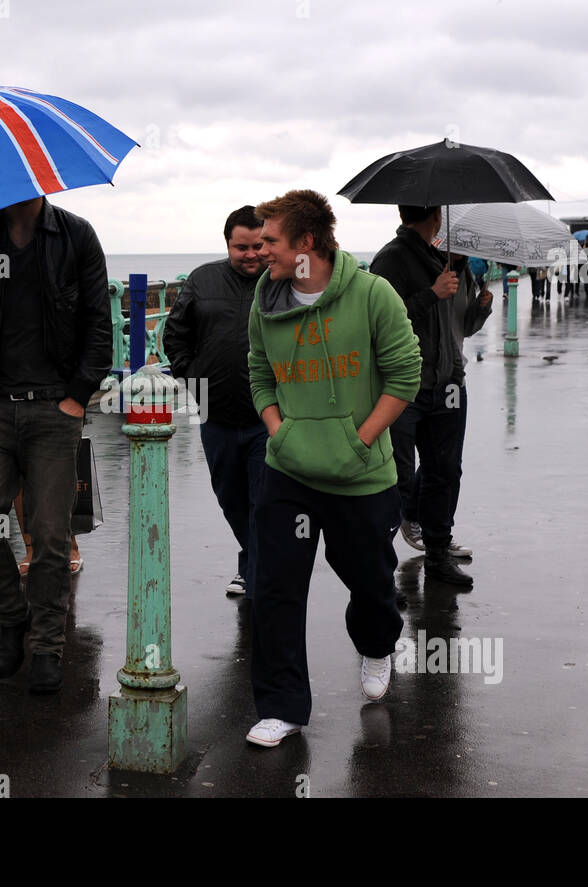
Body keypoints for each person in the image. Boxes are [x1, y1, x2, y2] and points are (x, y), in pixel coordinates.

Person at [243, 189, 421, 748]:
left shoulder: (372, 295)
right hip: (288, 471)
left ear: (306, 243)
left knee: (370, 585)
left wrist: (363, 441)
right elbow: (258, 370)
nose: (260, 249)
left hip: (361, 477)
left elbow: (404, 376)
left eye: (270, 240)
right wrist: (280, 430)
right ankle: (282, 706)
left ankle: (376, 644)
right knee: (272, 588)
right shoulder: (265, 298)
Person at [0, 196, 111, 695]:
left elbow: (99, 322)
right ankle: (13, 618)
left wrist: (78, 397)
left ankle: (49, 644)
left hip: (54, 407)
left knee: (50, 535)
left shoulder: (76, 235)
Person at [370, 206, 493, 588]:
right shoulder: (391, 259)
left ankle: (439, 558)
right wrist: (431, 294)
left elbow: (461, 327)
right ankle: (380, 574)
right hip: (404, 387)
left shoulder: (454, 265)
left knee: (445, 472)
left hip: (450, 383)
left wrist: (481, 309)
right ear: (437, 218)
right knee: (398, 479)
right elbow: (377, 321)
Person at [162, 205, 267, 598]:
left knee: (263, 498)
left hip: (267, 416)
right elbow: (175, 335)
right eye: (242, 247)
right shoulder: (202, 279)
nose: (251, 254)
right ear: (228, 244)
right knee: (231, 498)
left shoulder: (279, 282)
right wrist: (192, 380)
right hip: (213, 411)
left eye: (258, 245)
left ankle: (256, 574)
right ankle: (252, 561)